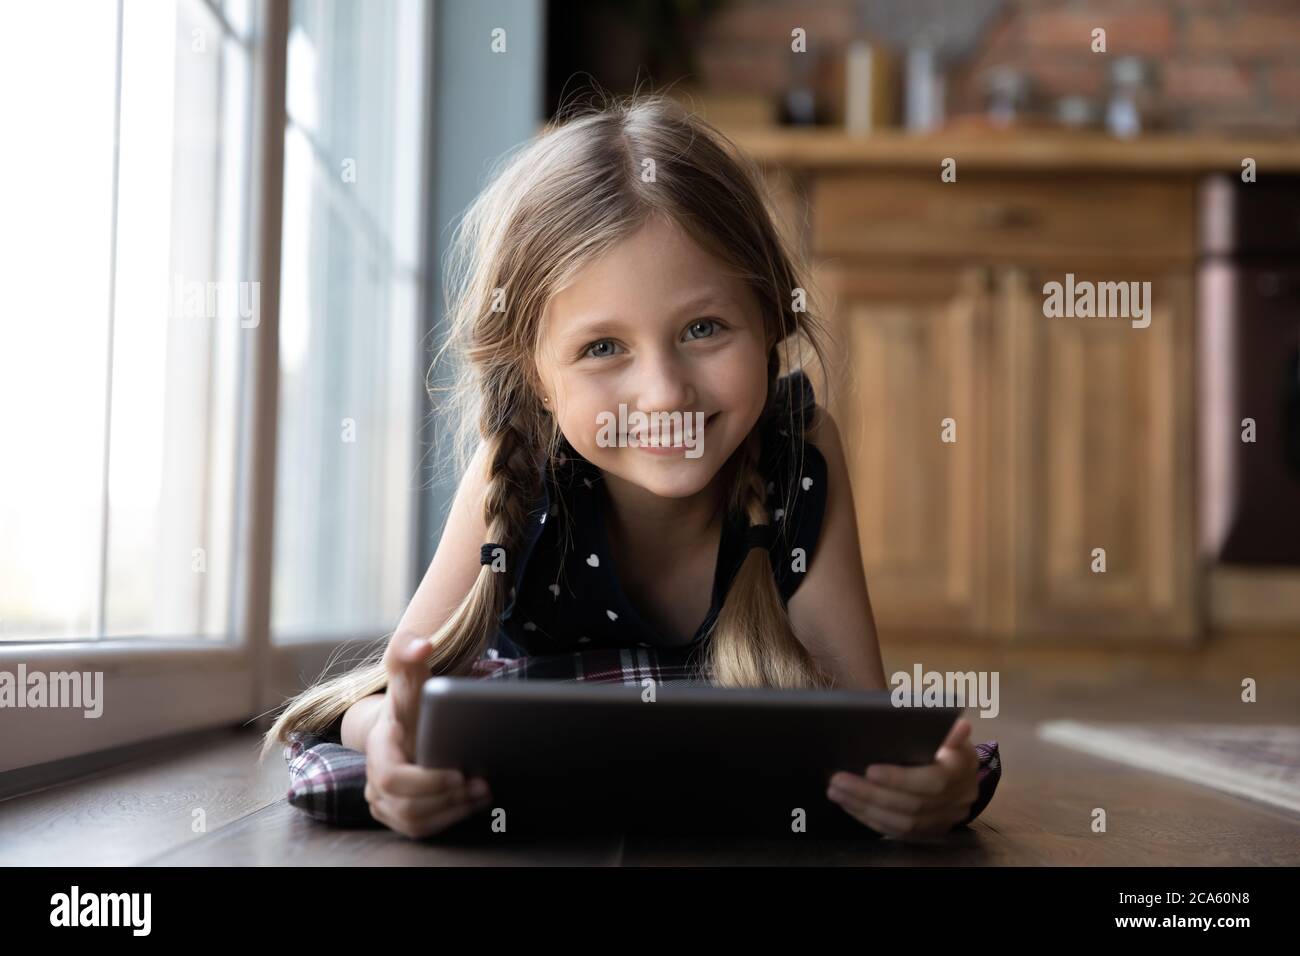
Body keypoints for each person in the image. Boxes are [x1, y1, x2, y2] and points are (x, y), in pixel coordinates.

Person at [261, 92, 1000, 841]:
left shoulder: (800, 452)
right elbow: (384, 702)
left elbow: (860, 725)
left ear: (773, 317)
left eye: (703, 329)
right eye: (603, 348)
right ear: (537, 378)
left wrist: (924, 788)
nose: (664, 393)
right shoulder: (516, 468)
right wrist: (389, 753)